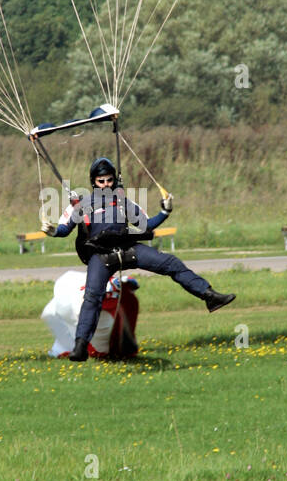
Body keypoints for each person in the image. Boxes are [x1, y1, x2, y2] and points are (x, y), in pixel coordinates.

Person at [42, 155, 235, 361]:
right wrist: (52, 231)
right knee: (92, 298)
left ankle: (209, 296)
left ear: (114, 180)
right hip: (101, 255)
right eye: (101, 181)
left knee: (170, 263)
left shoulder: (123, 201)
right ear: (93, 182)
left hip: (127, 249)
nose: (106, 184)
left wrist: (164, 212)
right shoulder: (82, 204)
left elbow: (146, 225)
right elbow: (64, 229)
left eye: (109, 180)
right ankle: (80, 346)